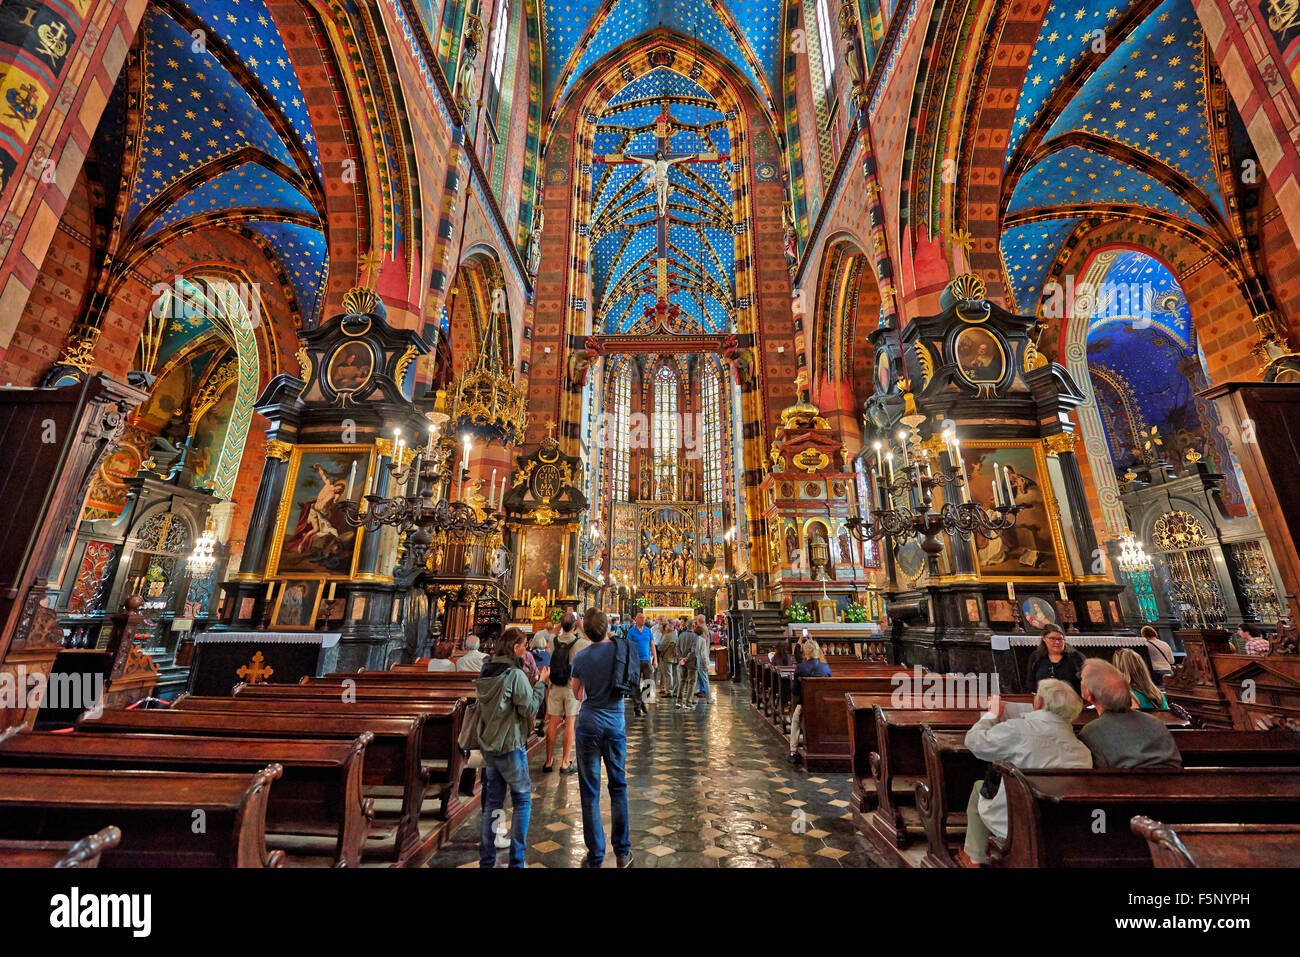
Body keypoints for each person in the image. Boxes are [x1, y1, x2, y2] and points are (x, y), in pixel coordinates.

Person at [960, 679, 1093, 866]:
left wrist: (991, 715)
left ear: (1038, 703)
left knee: (979, 787)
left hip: (1019, 821)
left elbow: (975, 742)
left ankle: (976, 858)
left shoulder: (1018, 730)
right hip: (1061, 823)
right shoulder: (1081, 750)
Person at [473, 627, 549, 867]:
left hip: (489, 746)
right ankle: (517, 861)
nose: (526, 649)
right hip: (510, 745)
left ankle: (487, 860)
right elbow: (528, 708)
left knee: (492, 804)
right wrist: (541, 684)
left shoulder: (486, 670)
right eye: (524, 645)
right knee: (522, 801)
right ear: (515, 648)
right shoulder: (514, 675)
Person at [570, 607, 632, 867]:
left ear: (586, 629)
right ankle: (622, 852)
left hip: (588, 725)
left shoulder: (581, 657)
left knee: (590, 791)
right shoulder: (621, 651)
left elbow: (576, 693)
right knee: (618, 787)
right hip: (615, 724)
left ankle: (595, 853)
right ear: (608, 627)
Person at [1078, 658, 1182, 768]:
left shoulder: (1091, 733)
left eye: (1082, 679)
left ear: (1088, 694)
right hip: (1177, 784)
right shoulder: (1156, 723)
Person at [543, 611, 589, 774]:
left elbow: (553, 633)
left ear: (562, 625)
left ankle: (548, 762)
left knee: (553, 721)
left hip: (555, 684)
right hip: (571, 686)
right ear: (575, 625)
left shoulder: (554, 640)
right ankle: (564, 762)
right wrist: (581, 626)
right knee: (570, 722)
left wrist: (560, 625)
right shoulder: (580, 642)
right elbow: (591, 641)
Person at [788, 639, 831, 763]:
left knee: (795, 720)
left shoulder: (801, 667)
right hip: (823, 705)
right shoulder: (825, 667)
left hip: (805, 704)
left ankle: (793, 751)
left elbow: (795, 691)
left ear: (805, 653)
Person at [1024, 624, 1085, 693]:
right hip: (1044, 699)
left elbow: (1086, 682)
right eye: (1052, 638)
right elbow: (1030, 682)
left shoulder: (1076, 657)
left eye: (1060, 639)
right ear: (1044, 638)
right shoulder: (1036, 656)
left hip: (1071, 699)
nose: (1057, 642)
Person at [626, 611, 657, 715]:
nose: (643, 619)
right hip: (635, 660)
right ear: (636, 619)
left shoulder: (648, 631)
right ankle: (637, 707)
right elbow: (628, 645)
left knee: (649, 682)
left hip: (647, 660)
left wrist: (655, 660)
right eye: (640, 618)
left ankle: (642, 701)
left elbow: (652, 645)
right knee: (635, 683)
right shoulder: (632, 631)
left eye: (643, 618)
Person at [676, 623, 702, 710]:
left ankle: (679, 702)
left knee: (682, 682)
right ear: (693, 626)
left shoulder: (681, 635)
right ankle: (688, 702)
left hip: (682, 662)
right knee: (691, 683)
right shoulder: (695, 636)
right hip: (692, 663)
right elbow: (693, 651)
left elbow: (677, 647)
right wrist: (686, 659)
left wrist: (681, 658)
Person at [657, 619, 679, 697]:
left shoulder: (667, 636)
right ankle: (675, 691)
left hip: (667, 657)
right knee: (674, 674)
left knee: (669, 674)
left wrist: (661, 653)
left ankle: (669, 691)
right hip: (674, 656)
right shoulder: (675, 635)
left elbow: (662, 647)